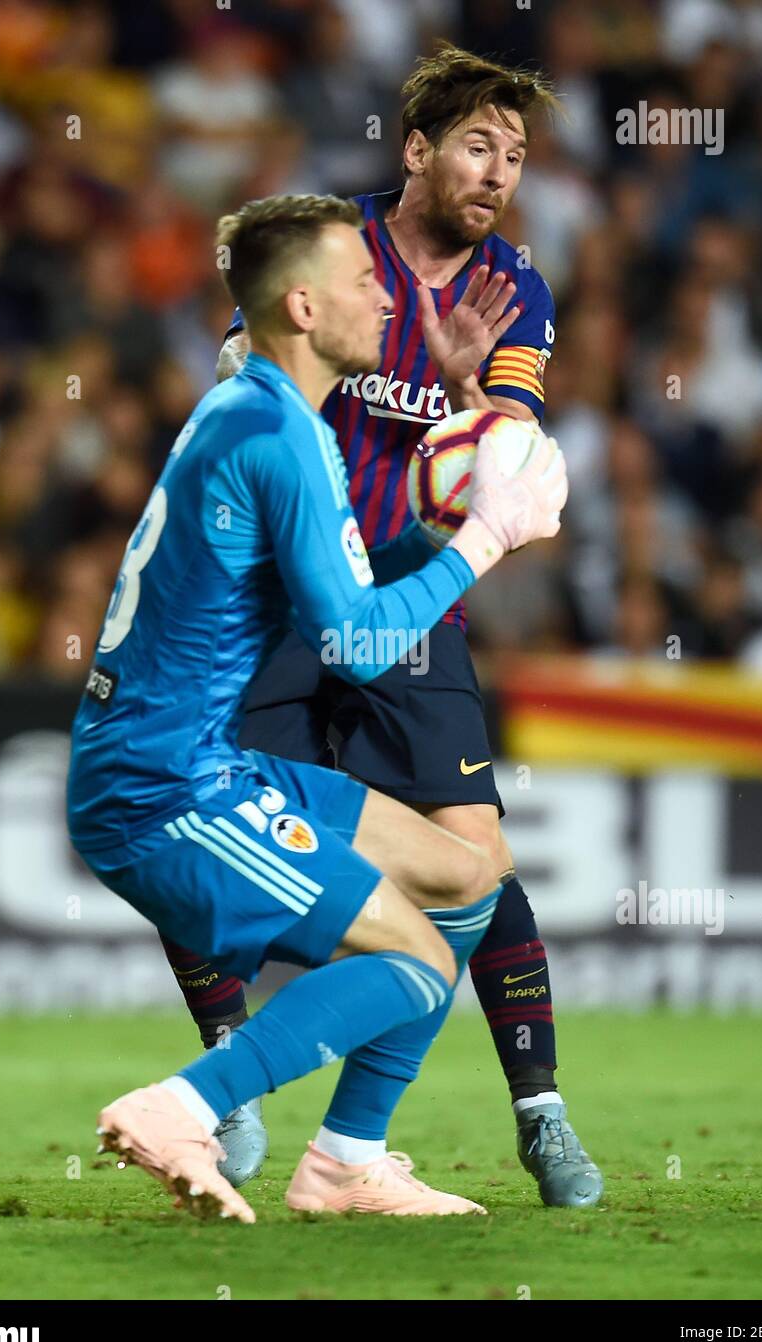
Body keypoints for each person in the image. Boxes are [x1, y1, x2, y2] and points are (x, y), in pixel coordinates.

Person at [67, 192, 569, 1221]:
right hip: (166, 790)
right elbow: (358, 642)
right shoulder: (279, 439)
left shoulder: (259, 411)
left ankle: (345, 1159)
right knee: (418, 960)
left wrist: (449, 527)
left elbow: (342, 601)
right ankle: (184, 1103)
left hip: (204, 759)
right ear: (302, 305)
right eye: (360, 281)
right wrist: (487, 538)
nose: (383, 298)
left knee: (465, 876)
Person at [178, 43, 604, 1207]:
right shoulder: (320, 247)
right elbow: (243, 385)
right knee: (202, 834)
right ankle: (231, 1074)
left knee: (477, 862)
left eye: (515, 155)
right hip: (278, 595)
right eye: (478, 143)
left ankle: (538, 1111)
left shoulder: (512, 289)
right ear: (414, 148)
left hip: (413, 606)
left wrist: (469, 393)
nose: (498, 171)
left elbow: (505, 455)